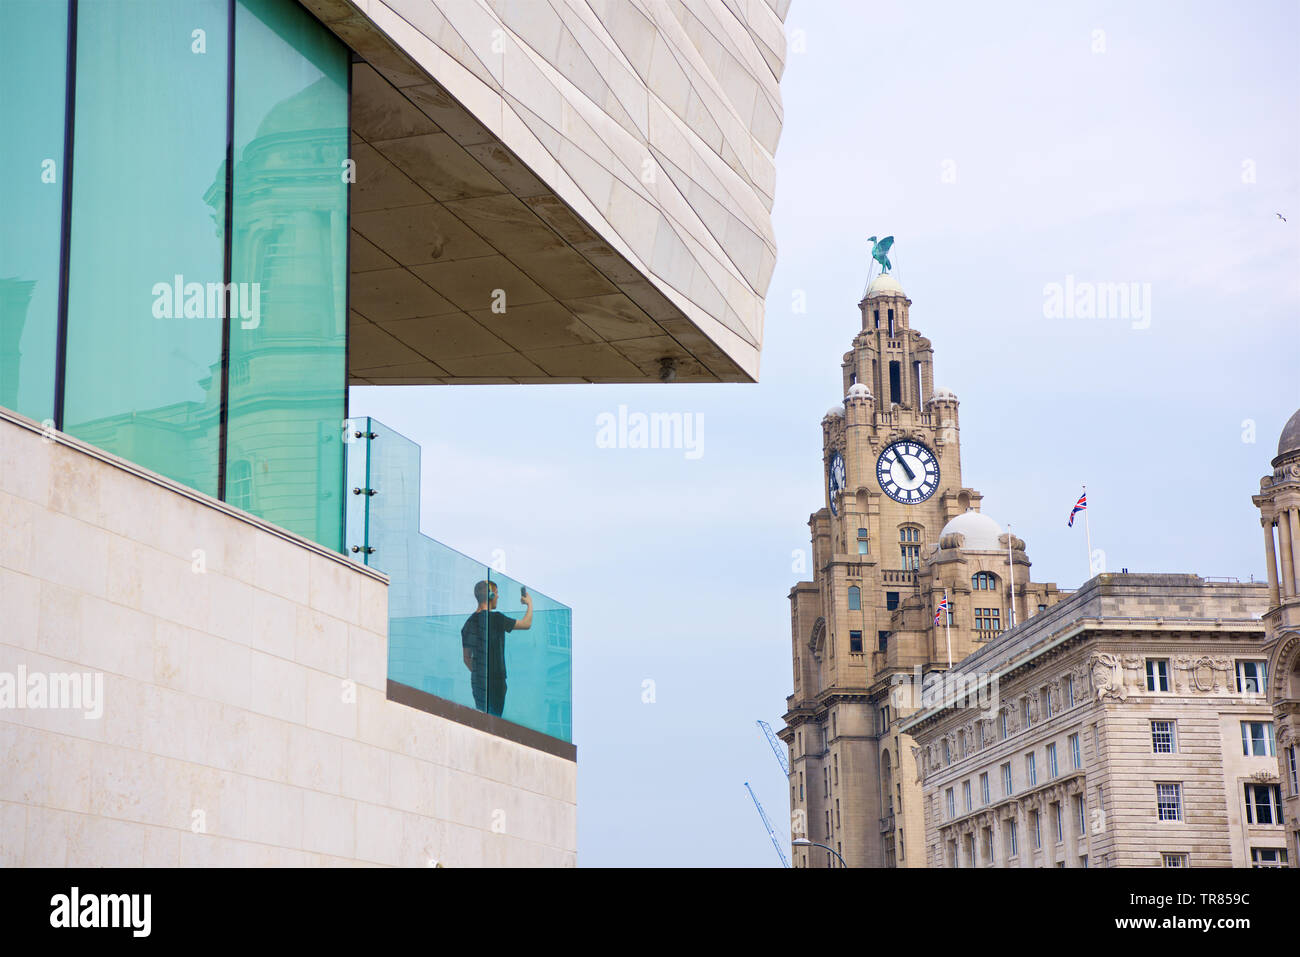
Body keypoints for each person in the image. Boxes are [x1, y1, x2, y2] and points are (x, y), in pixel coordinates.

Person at [461, 580, 532, 716]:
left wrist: (481, 673)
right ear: (490, 595)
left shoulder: (468, 624)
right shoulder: (497, 618)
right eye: (497, 593)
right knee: (495, 721)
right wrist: (529, 604)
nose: (498, 596)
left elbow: (466, 658)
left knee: (483, 719)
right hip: (497, 681)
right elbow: (526, 623)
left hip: (478, 681)